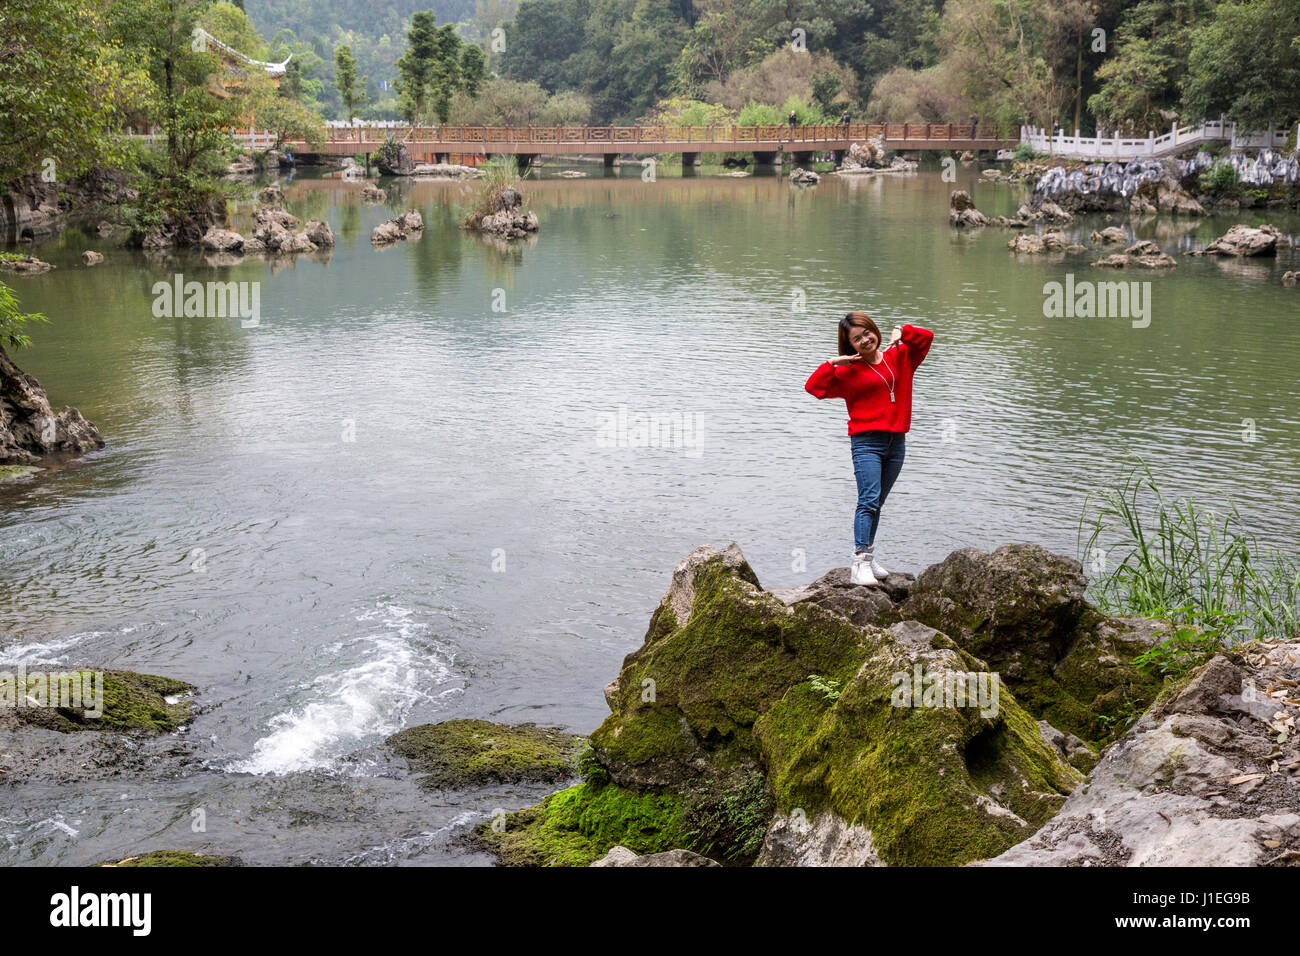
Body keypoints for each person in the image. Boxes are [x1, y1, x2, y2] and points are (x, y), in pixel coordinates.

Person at [804, 312, 934, 586]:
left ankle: (869, 557)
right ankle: (859, 561)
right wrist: (831, 362)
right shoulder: (847, 372)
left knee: (877, 502)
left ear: (875, 330)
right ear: (849, 345)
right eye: (856, 339)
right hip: (866, 443)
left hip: (896, 442)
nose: (865, 340)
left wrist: (902, 330)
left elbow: (926, 338)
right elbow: (813, 387)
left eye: (867, 333)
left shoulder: (900, 356)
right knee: (868, 499)